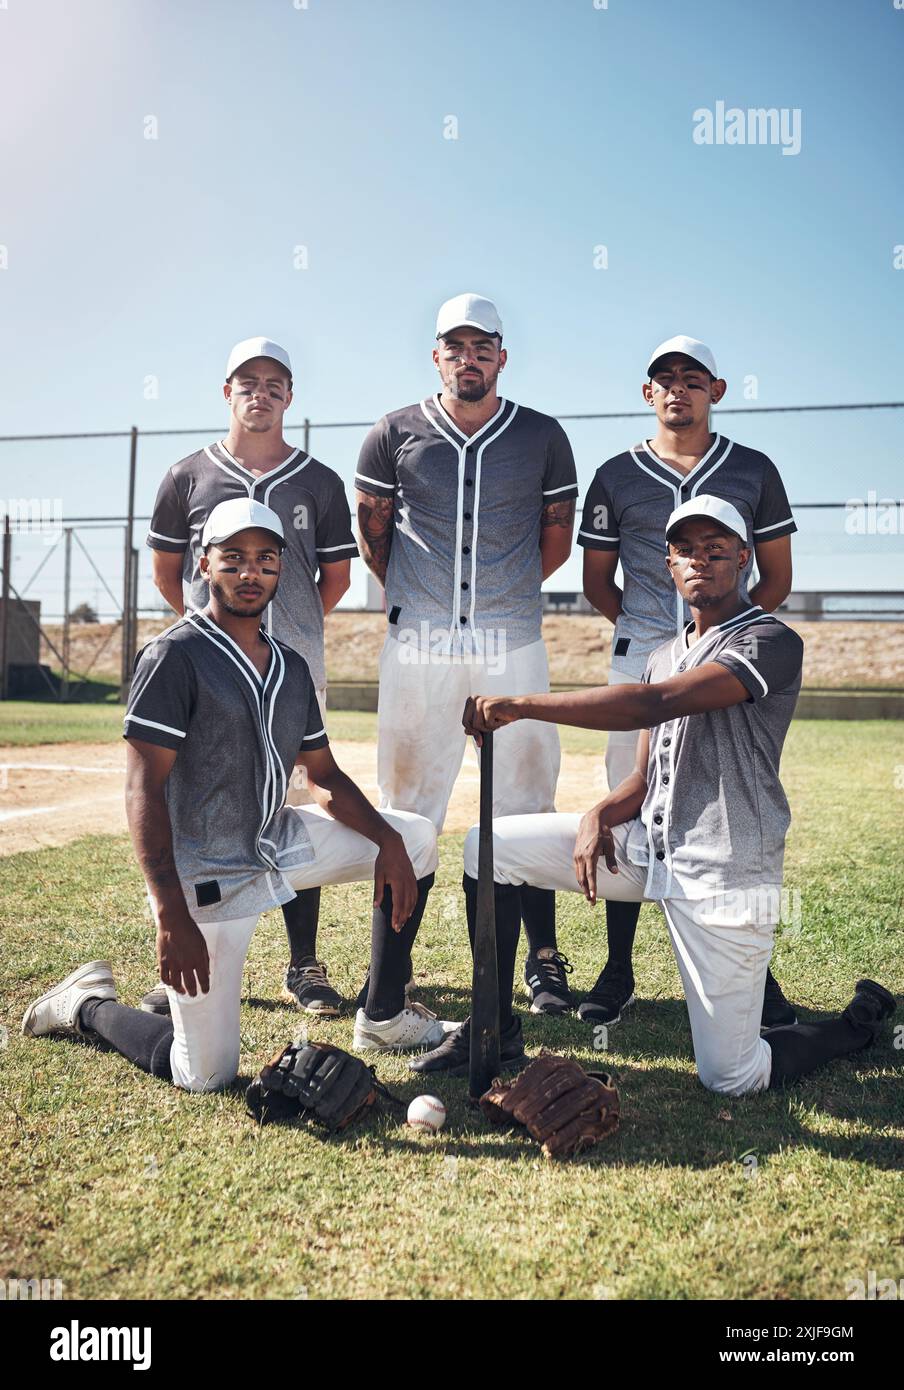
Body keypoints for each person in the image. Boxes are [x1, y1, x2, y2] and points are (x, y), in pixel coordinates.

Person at [411, 495, 896, 1086]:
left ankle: (854, 1025)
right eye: (685, 550)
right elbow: (645, 777)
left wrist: (519, 705)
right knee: (491, 846)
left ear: (744, 558)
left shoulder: (771, 640)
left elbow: (657, 703)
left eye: (716, 550)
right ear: (668, 563)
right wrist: (600, 813)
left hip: (723, 869)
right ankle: (493, 1027)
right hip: (648, 850)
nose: (700, 561)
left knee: (733, 1076)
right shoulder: (663, 653)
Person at [22, 500, 448, 1087]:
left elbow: (321, 775)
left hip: (276, 843)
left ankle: (383, 1013)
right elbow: (144, 788)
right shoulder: (174, 654)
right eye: (234, 559)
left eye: (265, 560)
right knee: (204, 1075)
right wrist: (171, 913)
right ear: (204, 565)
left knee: (417, 836)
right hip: (207, 876)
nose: (250, 573)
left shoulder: (290, 667)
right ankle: (88, 1004)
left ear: (280, 572)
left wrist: (388, 840)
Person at [354, 292, 578, 1017]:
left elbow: (555, 543)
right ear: (437, 355)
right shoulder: (392, 431)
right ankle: (392, 978)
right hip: (419, 643)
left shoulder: (542, 434)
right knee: (408, 809)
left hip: (510, 639)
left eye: (483, 346)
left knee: (523, 809)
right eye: (456, 346)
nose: (469, 358)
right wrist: (426, 603)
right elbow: (374, 536)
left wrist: (497, 600)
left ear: (502, 357)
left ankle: (535, 968)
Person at [577, 335, 798, 1029]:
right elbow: (594, 580)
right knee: (629, 809)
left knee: (724, 813)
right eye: (664, 379)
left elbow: (778, 575)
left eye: (692, 378)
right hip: (644, 654)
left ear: (717, 390)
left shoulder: (754, 469)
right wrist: (661, 643)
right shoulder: (617, 472)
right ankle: (619, 968)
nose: (678, 389)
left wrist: (725, 644)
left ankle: (749, 974)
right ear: (648, 394)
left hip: (730, 663)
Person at [142, 337, 358, 1018]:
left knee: (295, 809)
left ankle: (304, 963)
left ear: (289, 396)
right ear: (226, 390)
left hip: (293, 673)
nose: (259, 393)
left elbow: (337, 577)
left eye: (273, 384)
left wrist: (271, 642)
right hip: (210, 679)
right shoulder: (186, 475)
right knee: (196, 808)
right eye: (246, 382)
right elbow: (166, 569)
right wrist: (216, 647)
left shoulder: (319, 481)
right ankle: (181, 942)